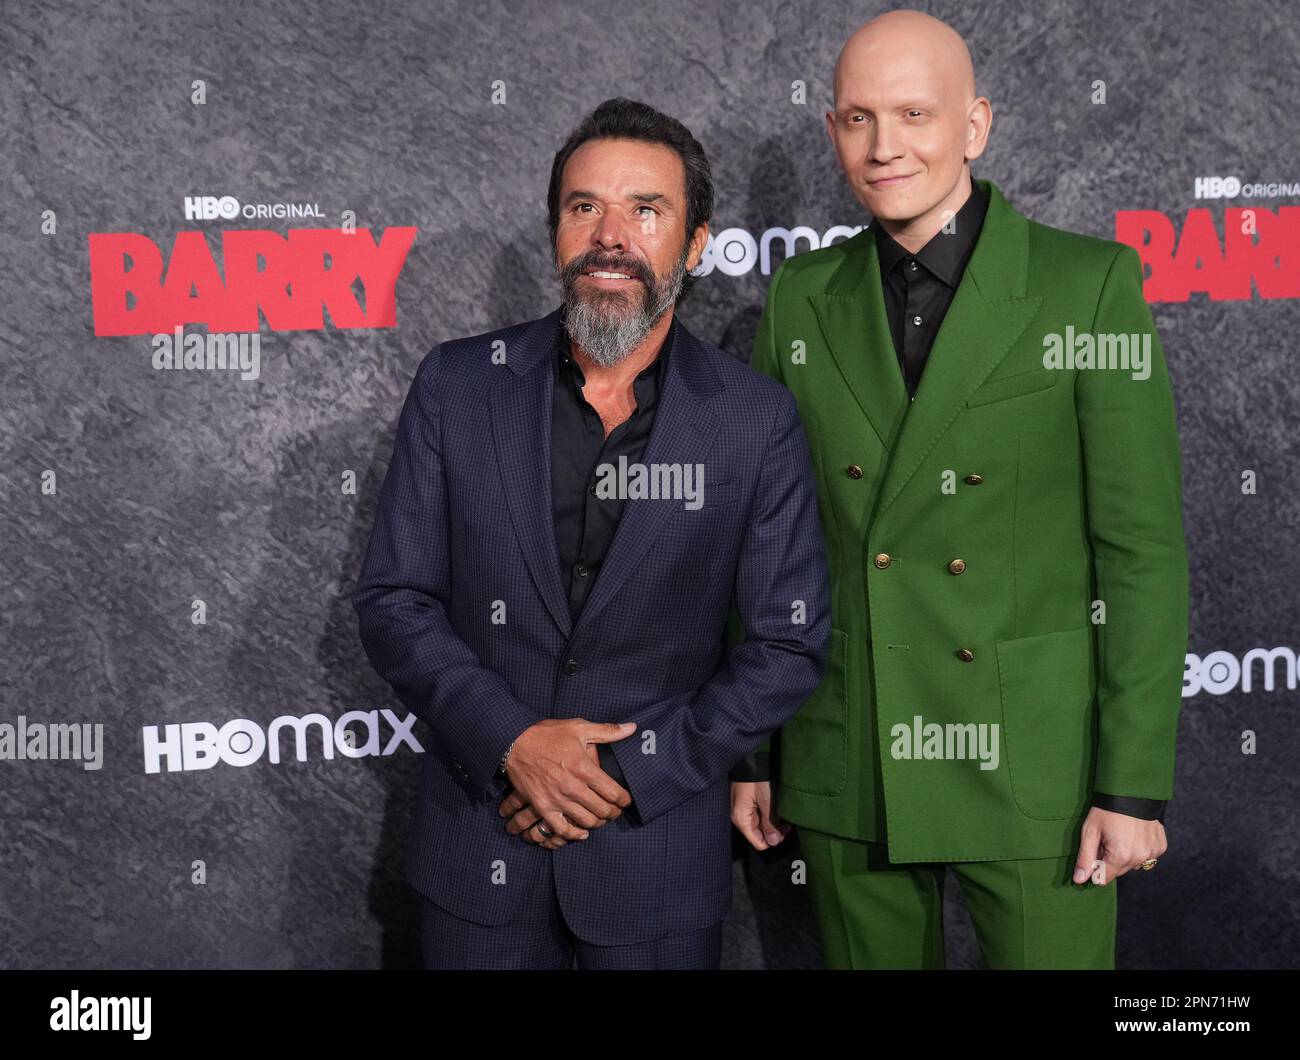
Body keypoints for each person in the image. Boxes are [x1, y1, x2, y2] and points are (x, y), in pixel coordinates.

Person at [730, 9, 1189, 969]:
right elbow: (766, 542)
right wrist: (755, 748)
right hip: (851, 748)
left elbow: (1141, 554)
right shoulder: (798, 296)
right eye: (858, 119)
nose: (885, 146)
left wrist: (1133, 783)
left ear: (974, 126)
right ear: (832, 133)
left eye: (914, 113)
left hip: (1035, 761)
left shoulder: (1088, 285)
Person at [353, 97, 830, 969]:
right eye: (585, 208)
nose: (610, 236)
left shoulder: (754, 422)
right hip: (480, 852)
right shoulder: (460, 386)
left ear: (694, 244)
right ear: (556, 232)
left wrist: (621, 773)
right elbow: (395, 600)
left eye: (645, 210)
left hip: (653, 868)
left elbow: (786, 647)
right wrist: (513, 741)